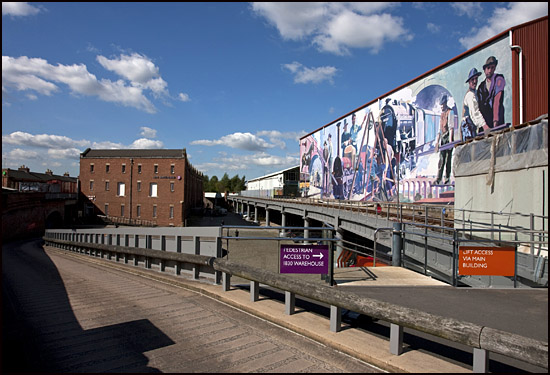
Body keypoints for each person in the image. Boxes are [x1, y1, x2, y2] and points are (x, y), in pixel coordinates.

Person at [477, 56, 506, 128]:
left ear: (495, 68)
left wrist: (495, 120)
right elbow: (479, 106)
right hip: (485, 123)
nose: (490, 70)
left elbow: (497, 100)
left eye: (492, 68)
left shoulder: (499, 79)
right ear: (484, 69)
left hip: (497, 120)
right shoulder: (481, 86)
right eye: (488, 68)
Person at [462, 68, 490, 139]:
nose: (474, 81)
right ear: (469, 82)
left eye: (476, 79)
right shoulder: (470, 95)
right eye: (472, 80)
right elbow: (474, 113)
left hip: (472, 127)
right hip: (468, 128)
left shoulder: (476, 94)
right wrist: (484, 125)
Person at [435, 95, 453, 185]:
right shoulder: (441, 114)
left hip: (448, 136)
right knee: (441, 159)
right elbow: (439, 130)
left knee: (448, 159)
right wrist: (437, 142)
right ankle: (438, 178)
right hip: (442, 137)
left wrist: (450, 142)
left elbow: (451, 127)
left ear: (445, 103)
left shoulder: (450, 112)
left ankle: (447, 178)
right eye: (440, 105)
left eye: (442, 105)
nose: (441, 106)